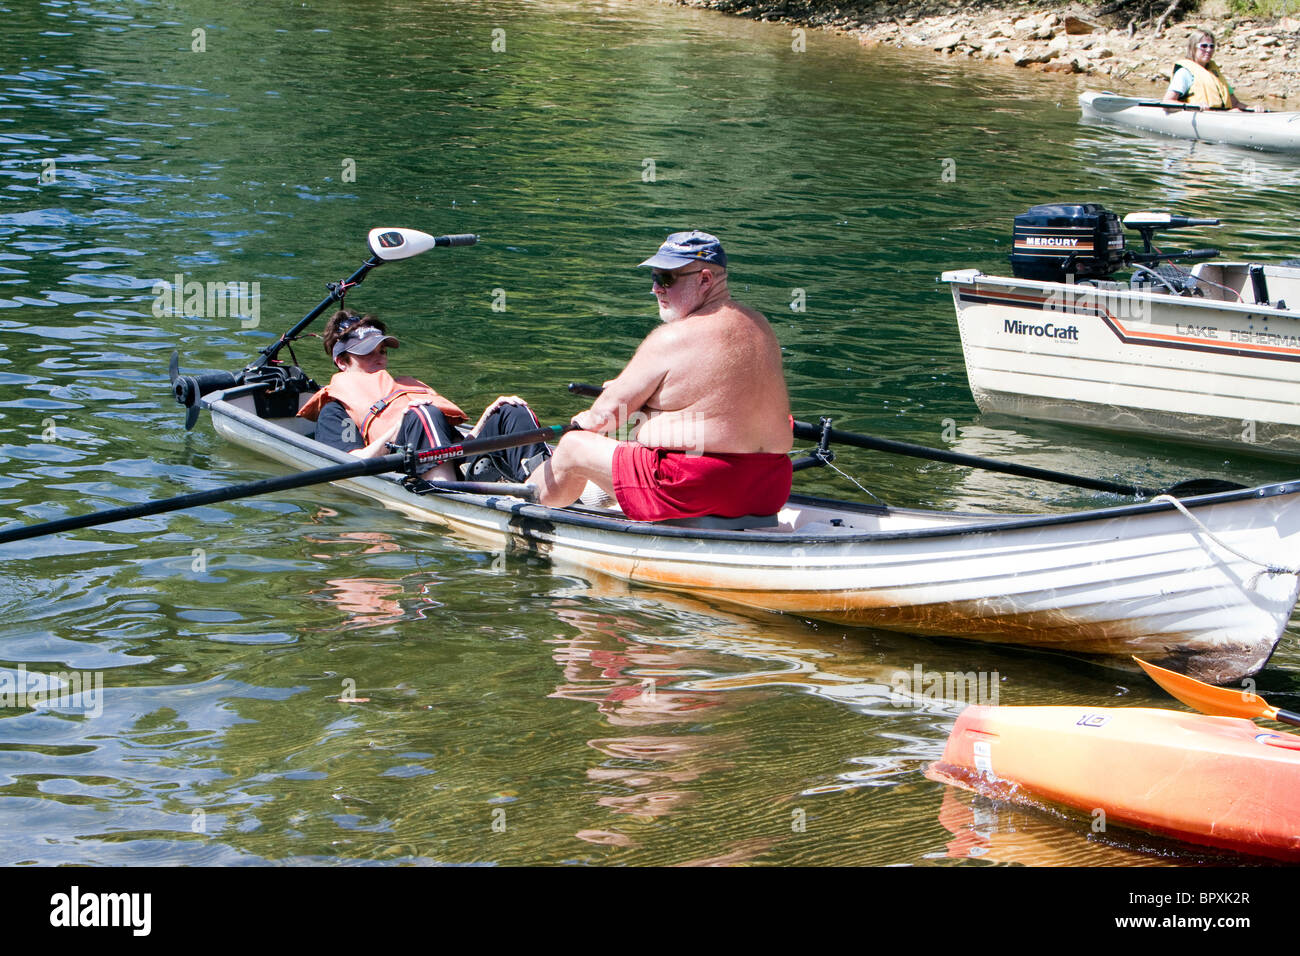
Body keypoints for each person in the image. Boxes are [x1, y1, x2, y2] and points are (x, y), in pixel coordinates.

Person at [527, 230, 793, 521]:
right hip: (770, 489)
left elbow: (604, 417)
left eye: (666, 279)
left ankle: (519, 503)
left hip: (695, 487)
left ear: (705, 280)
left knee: (573, 446)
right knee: (639, 440)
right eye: (654, 277)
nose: (655, 289)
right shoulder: (760, 327)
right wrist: (649, 401)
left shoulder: (673, 337)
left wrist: (585, 420)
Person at [298, 309, 549, 484]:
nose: (379, 358)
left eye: (382, 351)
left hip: (456, 461)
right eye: (367, 353)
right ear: (342, 362)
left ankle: (543, 485)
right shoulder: (336, 410)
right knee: (422, 413)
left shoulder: (404, 390)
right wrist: (395, 429)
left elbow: (457, 444)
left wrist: (486, 418)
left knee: (511, 410)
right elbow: (351, 463)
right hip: (414, 470)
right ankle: (448, 493)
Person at [1162, 30, 1246, 110]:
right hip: (1199, 114)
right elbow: (1167, 102)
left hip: (1219, 114)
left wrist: (1252, 109)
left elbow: (1235, 104)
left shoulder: (1215, 74)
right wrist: (1193, 106)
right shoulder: (1184, 73)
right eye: (1204, 46)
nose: (1208, 50)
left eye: (1212, 46)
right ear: (1193, 48)